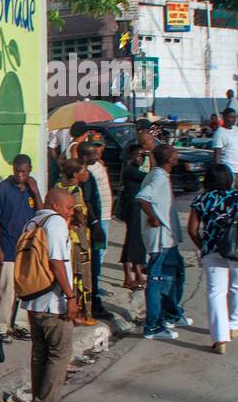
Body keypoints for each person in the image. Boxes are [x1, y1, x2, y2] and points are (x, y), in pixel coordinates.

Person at [187, 164, 238, 353]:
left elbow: (192, 230)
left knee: (215, 292)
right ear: (229, 179)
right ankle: (234, 326)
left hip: (212, 250)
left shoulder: (200, 199)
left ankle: (219, 339)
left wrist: (204, 247)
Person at [18, 189, 79, 402]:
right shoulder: (55, 223)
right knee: (59, 353)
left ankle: (38, 401)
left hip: (34, 300)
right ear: (54, 204)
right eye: (68, 207)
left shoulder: (33, 221)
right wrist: (70, 297)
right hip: (53, 302)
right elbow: (56, 262)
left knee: (40, 353)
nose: (71, 212)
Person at [135, 145, 189, 340]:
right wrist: (153, 217)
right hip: (160, 238)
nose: (178, 156)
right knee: (157, 281)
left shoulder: (161, 175)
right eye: (175, 154)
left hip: (169, 237)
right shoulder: (157, 177)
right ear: (169, 158)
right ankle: (153, 326)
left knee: (175, 275)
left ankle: (172, 314)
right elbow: (142, 198)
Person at [0, 155, 42, 342]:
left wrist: (35, 192)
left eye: (24, 172)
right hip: (8, 247)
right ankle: (0, 327)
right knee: (6, 289)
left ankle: (20, 324)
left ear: (29, 170)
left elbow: (42, 214)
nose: (20, 175)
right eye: (17, 171)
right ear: (13, 169)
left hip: (28, 249)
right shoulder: (2, 190)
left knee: (26, 289)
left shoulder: (31, 190)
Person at [54, 159, 95, 325]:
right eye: (84, 171)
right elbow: (78, 213)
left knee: (69, 272)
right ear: (76, 174)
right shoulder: (76, 190)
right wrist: (81, 220)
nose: (87, 174)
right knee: (80, 274)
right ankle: (81, 313)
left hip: (63, 234)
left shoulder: (57, 187)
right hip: (77, 238)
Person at [81, 141, 115, 321]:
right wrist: (95, 224)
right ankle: (93, 304)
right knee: (93, 266)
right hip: (91, 228)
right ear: (85, 156)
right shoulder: (85, 175)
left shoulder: (89, 172)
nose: (97, 156)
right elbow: (87, 202)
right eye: (93, 154)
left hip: (94, 224)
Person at [117, 143, 149, 291]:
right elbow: (150, 176)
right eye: (138, 155)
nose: (141, 158)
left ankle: (136, 273)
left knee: (135, 241)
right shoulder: (130, 170)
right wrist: (152, 157)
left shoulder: (133, 169)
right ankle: (129, 276)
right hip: (132, 210)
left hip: (136, 209)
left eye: (143, 156)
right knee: (132, 242)